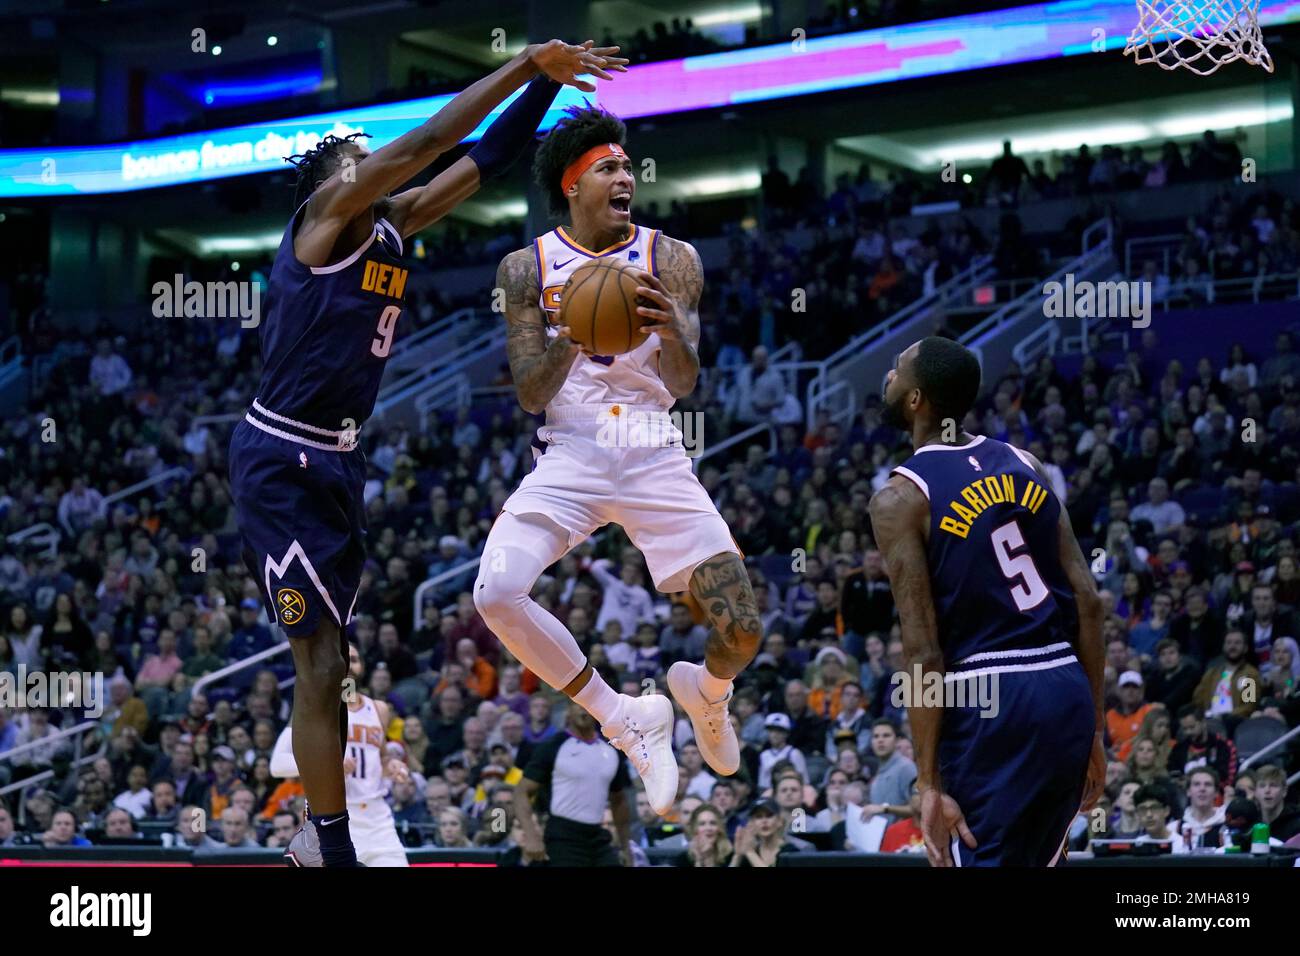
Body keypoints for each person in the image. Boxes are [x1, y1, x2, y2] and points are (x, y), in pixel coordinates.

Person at [226, 40, 626, 868]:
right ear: (337, 179)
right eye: (361, 159)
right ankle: (329, 843)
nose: (378, 164)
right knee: (320, 656)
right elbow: (426, 143)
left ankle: (323, 834)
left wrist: (540, 92)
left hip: (341, 460)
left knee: (335, 665)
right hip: (281, 458)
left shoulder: (394, 226)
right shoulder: (324, 222)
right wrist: (523, 64)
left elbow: (486, 157)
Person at [476, 103, 763, 817]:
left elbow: (685, 381)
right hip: (571, 446)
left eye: (628, 165)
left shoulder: (671, 257)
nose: (625, 176)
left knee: (743, 627)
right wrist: (570, 333)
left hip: (650, 445)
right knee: (495, 591)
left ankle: (707, 694)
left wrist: (672, 333)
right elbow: (530, 394)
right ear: (574, 185)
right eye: (608, 167)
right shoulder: (524, 269)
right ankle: (623, 716)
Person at [869, 337, 1104, 866]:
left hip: (990, 697)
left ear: (915, 400)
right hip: (1064, 686)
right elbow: (1088, 601)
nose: (888, 374)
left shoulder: (900, 498)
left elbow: (924, 652)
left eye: (897, 370)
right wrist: (1092, 727)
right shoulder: (1027, 463)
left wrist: (927, 782)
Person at [271, 644, 411, 866]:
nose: (349, 664)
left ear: (362, 667)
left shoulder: (379, 709)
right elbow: (277, 765)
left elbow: (380, 757)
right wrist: (329, 765)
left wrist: (392, 765)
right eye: (344, 658)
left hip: (378, 820)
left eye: (354, 659)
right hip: (335, 816)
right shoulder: (312, 710)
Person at [514, 702, 633, 866]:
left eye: (589, 706)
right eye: (578, 705)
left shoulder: (612, 751)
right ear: (568, 711)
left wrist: (626, 846)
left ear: (598, 713)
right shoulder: (552, 746)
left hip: (598, 835)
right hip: (562, 836)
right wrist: (532, 836)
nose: (584, 710)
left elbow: (619, 801)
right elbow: (521, 792)